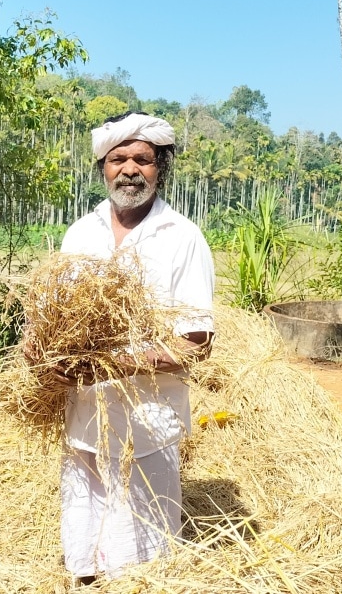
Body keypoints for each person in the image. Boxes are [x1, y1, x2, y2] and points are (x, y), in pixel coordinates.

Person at [44, 111, 215, 584]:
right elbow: (54, 318)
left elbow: (196, 344)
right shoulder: (81, 233)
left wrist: (111, 364)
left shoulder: (182, 238)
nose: (130, 169)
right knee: (84, 543)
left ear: (161, 168)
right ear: (103, 166)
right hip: (83, 417)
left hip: (148, 423)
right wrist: (39, 355)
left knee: (141, 558)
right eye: (118, 159)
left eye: (143, 159)